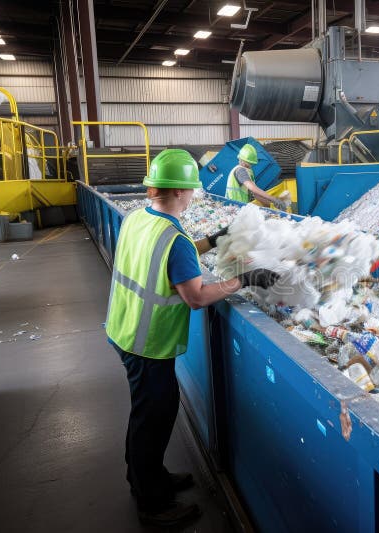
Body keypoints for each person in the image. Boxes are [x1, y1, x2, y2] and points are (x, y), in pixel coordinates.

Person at [105, 149, 279, 527]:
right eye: (192, 190)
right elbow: (196, 296)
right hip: (146, 343)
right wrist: (244, 280)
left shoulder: (140, 218)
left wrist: (213, 240)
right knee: (152, 418)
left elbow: (171, 254)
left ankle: (149, 478)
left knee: (147, 414)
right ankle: (152, 505)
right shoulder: (175, 239)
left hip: (122, 328)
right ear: (183, 192)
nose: (193, 196)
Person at [225, 143, 290, 210]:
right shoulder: (240, 171)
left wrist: (272, 205)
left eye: (252, 163)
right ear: (242, 160)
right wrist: (273, 199)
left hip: (240, 207)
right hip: (234, 207)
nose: (251, 165)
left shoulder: (248, 172)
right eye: (249, 163)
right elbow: (252, 188)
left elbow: (256, 194)